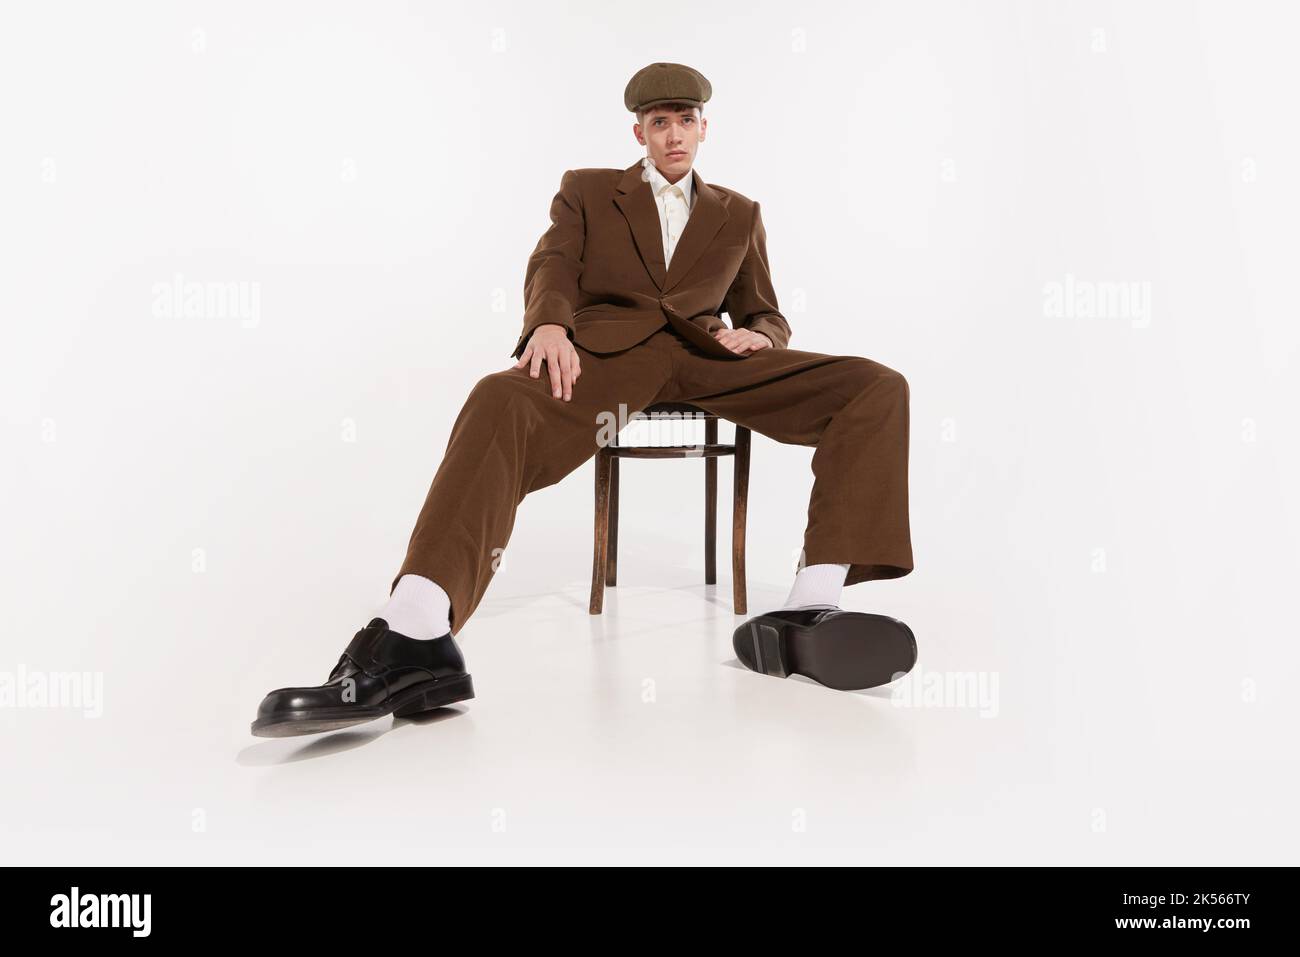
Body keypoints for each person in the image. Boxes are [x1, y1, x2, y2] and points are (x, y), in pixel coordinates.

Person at [251, 62, 916, 738]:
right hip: (608, 359)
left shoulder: (740, 213)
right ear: (640, 131)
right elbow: (555, 262)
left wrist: (760, 336)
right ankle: (416, 631)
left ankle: (810, 608)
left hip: (707, 359)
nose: (675, 134)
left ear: (704, 128)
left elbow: (764, 308)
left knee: (876, 386)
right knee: (497, 398)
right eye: (660, 123)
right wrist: (548, 323)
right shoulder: (590, 191)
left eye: (686, 120)